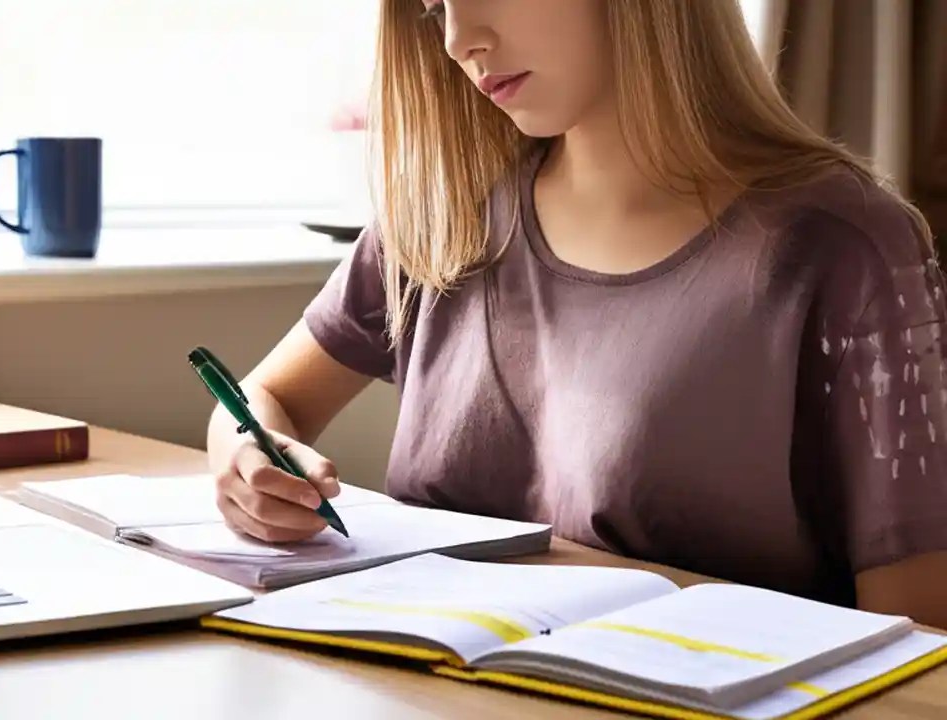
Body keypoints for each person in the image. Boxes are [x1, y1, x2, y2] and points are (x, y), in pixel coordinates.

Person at [205, 0, 947, 627]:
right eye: (434, 5)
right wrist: (247, 456)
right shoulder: (443, 216)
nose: (459, 39)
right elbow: (261, 400)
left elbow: (919, 642)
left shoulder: (844, 246)